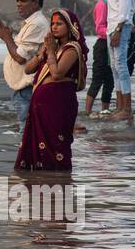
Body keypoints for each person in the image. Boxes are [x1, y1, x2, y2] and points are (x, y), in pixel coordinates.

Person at [15, 9, 88, 171]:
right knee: (36, 150)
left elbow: (56, 74)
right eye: (53, 24)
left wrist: (50, 52)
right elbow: (27, 69)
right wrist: (42, 54)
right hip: (40, 107)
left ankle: (60, 184)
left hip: (58, 105)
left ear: (70, 27)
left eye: (59, 24)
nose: (54, 27)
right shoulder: (51, 48)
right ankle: (41, 184)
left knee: (57, 146)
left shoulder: (72, 49)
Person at [0, 0, 50, 129]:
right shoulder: (30, 23)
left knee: (27, 131)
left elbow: (19, 57)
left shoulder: (36, 24)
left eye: (23, 1)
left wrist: (6, 38)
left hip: (28, 87)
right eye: (17, 1)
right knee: (29, 129)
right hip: (25, 88)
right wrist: (8, 37)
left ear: (36, 3)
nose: (18, 4)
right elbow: (20, 50)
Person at [93, 0, 134, 121]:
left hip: (120, 26)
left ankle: (127, 108)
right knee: (115, 67)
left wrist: (118, 29)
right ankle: (119, 106)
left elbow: (124, 7)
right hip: (111, 27)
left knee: (122, 66)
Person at [85, 0, 114, 117]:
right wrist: (115, 31)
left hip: (110, 44)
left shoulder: (111, 2)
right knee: (98, 79)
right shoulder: (102, 4)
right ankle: (88, 111)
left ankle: (105, 110)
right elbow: (99, 28)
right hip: (103, 44)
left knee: (110, 80)